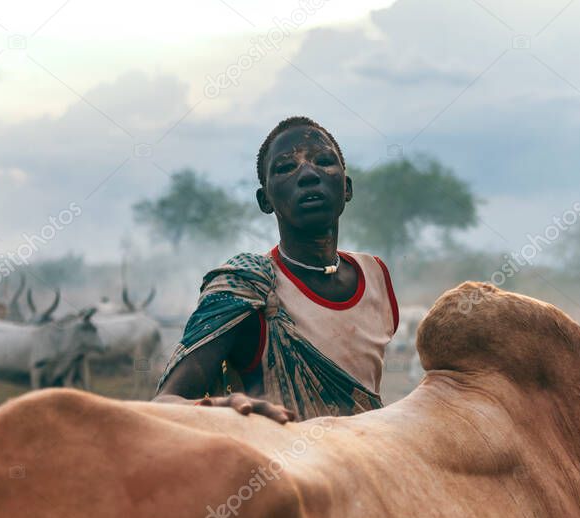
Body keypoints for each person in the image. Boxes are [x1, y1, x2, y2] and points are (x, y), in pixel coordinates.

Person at [154, 117, 399, 422]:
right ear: (264, 200)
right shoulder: (245, 289)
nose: (309, 174)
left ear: (346, 188)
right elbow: (165, 403)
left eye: (323, 162)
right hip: (282, 467)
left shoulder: (375, 275)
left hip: (368, 462)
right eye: (285, 168)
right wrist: (219, 408)